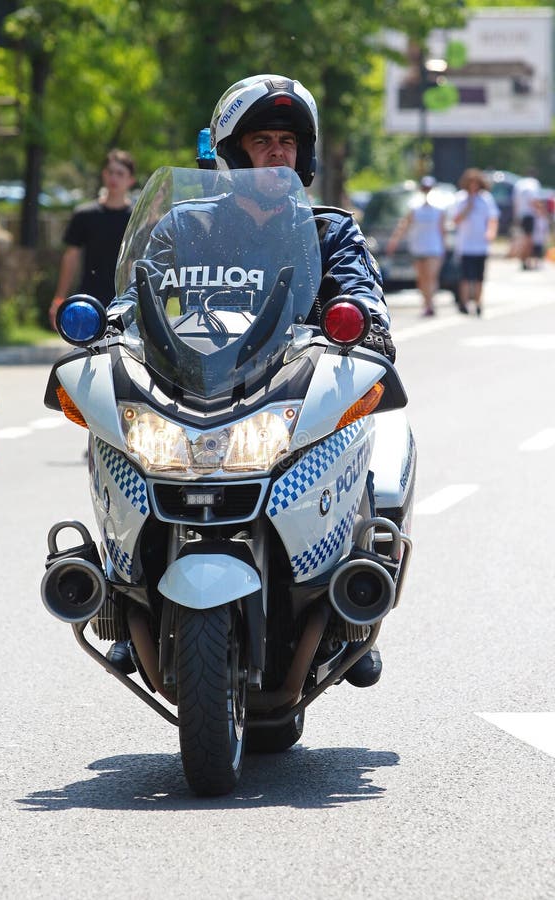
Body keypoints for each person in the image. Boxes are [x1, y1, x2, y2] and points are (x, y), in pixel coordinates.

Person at [108, 75, 394, 687]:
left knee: (353, 421)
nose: (277, 152)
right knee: (117, 432)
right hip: (194, 385)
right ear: (233, 150)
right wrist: (112, 325)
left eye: (287, 141)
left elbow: (363, 297)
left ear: (305, 152)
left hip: (288, 388)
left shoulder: (329, 229)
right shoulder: (185, 226)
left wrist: (366, 323)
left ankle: (355, 583)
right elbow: (136, 297)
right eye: (262, 139)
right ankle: (123, 586)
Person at [49, 149, 135, 327]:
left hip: (126, 301)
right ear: (104, 174)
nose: (114, 178)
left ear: (130, 180)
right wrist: (59, 298)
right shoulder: (85, 214)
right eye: (110, 172)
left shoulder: (137, 217)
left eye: (120, 173)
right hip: (89, 300)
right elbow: (71, 256)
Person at [386, 175, 446, 317]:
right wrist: (394, 241)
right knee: (421, 278)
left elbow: (442, 229)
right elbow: (404, 225)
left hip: (434, 247)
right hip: (418, 246)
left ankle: (430, 304)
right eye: (425, 188)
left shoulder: (439, 208)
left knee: (431, 276)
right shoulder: (414, 207)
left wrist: (443, 247)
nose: (427, 191)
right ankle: (426, 303)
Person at [452, 168, 499, 317]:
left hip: (481, 245)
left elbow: (493, 218)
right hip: (465, 245)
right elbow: (456, 220)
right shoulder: (461, 198)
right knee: (465, 276)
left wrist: (490, 232)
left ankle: (478, 303)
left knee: (479, 277)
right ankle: (464, 303)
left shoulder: (486, 198)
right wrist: (468, 207)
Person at [512, 168, 541, 271]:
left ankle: (523, 260)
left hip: (520, 214)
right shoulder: (534, 183)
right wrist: (540, 212)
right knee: (529, 240)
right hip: (529, 214)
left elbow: (515, 201)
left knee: (523, 239)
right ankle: (526, 261)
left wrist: (516, 216)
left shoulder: (519, 184)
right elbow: (533, 200)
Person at [528, 196, 550, 269]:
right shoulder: (533, 218)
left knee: (539, 251)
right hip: (533, 238)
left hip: (540, 238)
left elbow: (546, 229)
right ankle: (531, 264)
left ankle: (538, 264)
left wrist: (546, 237)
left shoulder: (544, 219)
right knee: (532, 252)